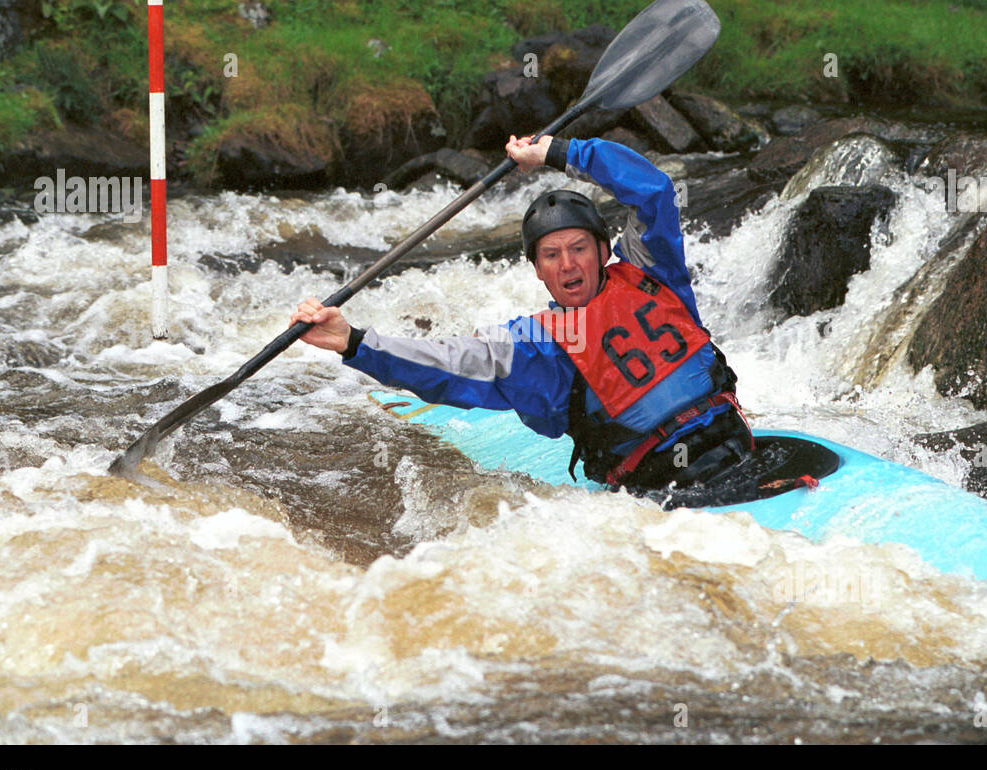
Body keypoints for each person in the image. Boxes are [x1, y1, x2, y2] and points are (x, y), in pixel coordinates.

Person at [291, 133, 759, 506]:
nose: (568, 265)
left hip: (735, 444)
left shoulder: (651, 273)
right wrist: (353, 341)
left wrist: (558, 151)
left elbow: (653, 190)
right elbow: (449, 363)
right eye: (551, 255)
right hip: (660, 490)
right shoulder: (539, 346)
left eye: (579, 249)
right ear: (537, 271)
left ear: (602, 250)